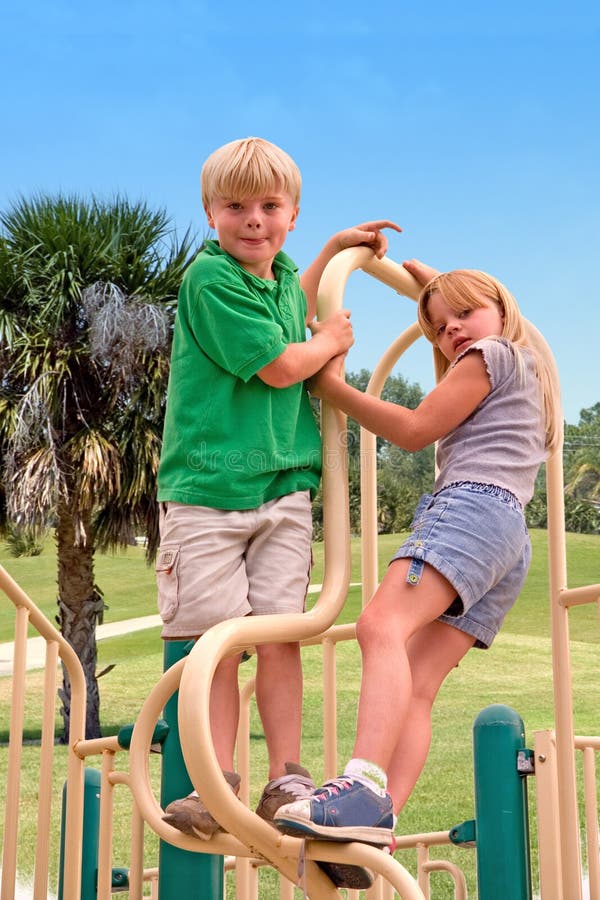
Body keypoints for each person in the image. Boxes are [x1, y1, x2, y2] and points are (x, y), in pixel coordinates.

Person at [274, 261, 562, 886]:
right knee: (420, 683)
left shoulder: (491, 353)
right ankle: (380, 824)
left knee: (379, 625)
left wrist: (331, 389)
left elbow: (410, 430)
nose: (452, 331)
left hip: (470, 508)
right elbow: (475, 312)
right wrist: (439, 287)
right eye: (437, 327)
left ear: (501, 310)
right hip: (510, 536)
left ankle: (363, 786)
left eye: (464, 314)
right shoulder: (527, 367)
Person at [156, 135, 400, 845]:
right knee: (219, 643)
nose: (253, 220)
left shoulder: (277, 275)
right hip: (209, 491)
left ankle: (286, 777)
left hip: (284, 487)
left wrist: (326, 255)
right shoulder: (208, 280)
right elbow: (280, 363)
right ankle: (214, 782)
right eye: (236, 207)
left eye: (270, 206)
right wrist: (331, 340)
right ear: (210, 214)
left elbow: (288, 307)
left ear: (291, 215)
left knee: (281, 635)